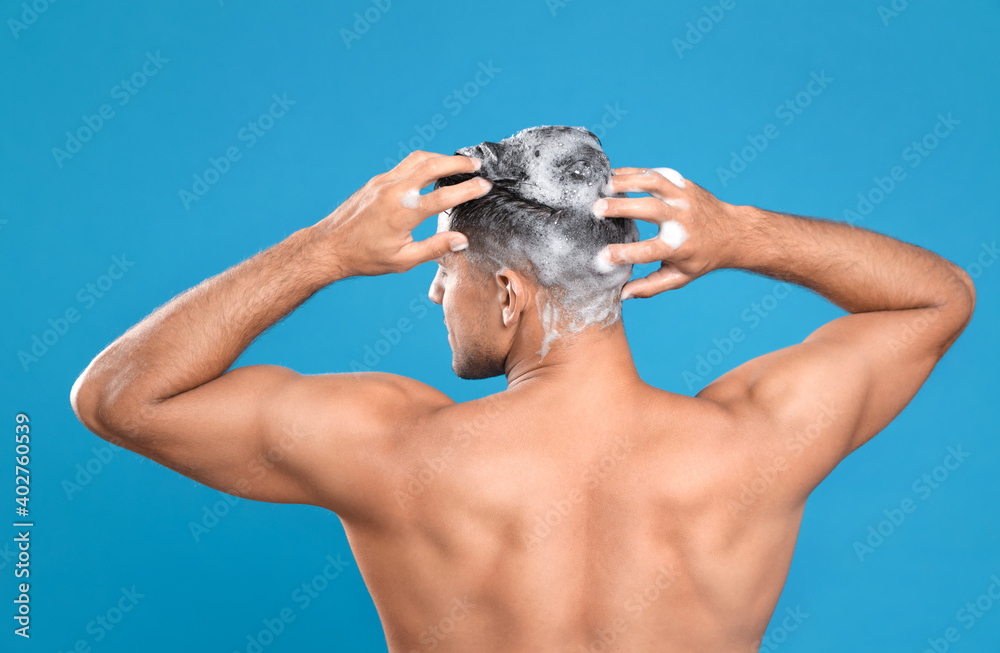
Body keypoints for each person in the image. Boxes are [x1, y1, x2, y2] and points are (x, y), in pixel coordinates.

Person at [70, 126, 975, 652]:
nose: (433, 290)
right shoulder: (755, 442)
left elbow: (119, 397)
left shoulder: (395, 451)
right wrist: (745, 235)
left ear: (508, 292)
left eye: (448, 269)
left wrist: (322, 249)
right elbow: (939, 296)